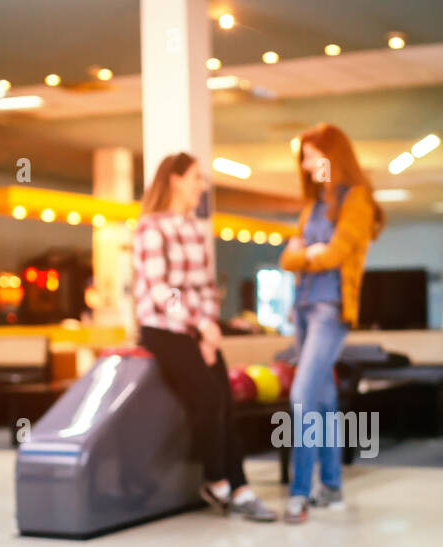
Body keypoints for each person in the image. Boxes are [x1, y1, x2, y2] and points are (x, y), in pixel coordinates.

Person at [132, 152, 275, 522]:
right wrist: (198, 325)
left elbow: (207, 288)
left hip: (198, 329)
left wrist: (208, 330)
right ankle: (214, 477)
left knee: (225, 400)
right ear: (176, 179)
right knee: (209, 398)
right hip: (164, 329)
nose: (202, 186)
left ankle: (240, 489)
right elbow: (160, 289)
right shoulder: (151, 227)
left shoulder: (195, 228)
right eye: (197, 177)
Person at [278, 123, 385, 523]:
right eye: (302, 158)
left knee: (301, 397)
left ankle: (299, 494)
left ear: (332, 155)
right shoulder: (313, 205)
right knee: (321, 403)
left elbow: (336, 253)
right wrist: (307, 253)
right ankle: (333, 487)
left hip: (331, 310)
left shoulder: (357, 199)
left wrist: (305, 253)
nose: (305, 166)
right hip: (302, 309)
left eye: (310, 156)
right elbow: (287, 258)